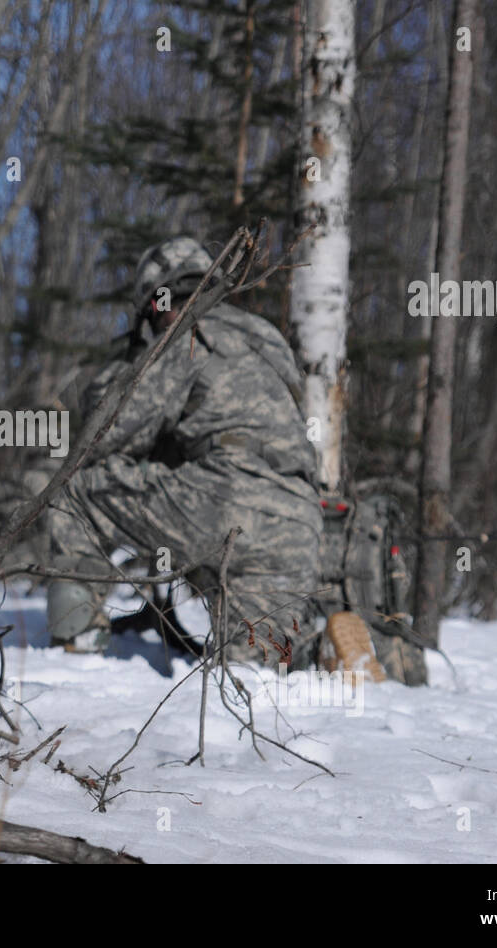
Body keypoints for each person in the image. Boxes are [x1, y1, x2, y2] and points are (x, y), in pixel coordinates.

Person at [44, 237, 324, 665]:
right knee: (253, 678)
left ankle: (75, 642)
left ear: (159, 302)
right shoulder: (265, 337)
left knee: (76, 492)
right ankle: (329, 653)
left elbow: (108, 435)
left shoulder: (187, 332)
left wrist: (115, 376)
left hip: (227, 500)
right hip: (299, 519)